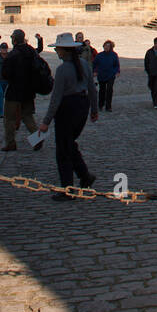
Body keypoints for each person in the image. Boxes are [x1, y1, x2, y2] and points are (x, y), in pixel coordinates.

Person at [39, 33, 98, 199]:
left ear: (64, 51)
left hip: (67, 108)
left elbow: (56, 98)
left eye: (58, 49)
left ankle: (67, 188)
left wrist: (45, 122)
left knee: (63, 150)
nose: (57, 51)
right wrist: (94, 109)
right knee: (69, 144)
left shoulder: (62, 69)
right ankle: (85, 175)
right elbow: (92, 89)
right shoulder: (85, 64)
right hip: (82, 105)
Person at [1, 29, 45, 151]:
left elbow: (5, 74)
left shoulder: (13, 54)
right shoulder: (31, 51)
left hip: (14, 91)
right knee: (27, 116)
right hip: (29, 90)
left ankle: (10, 143)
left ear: (14, 39)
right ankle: (38, 139)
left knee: (9, 118)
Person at [93, 40, 120, 111]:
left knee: (109, 90)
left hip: (110, 75)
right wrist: (95, 71)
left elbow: (117, 65)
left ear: (111, 47)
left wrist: (117, 71)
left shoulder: (114, 55)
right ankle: (101, 105)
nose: (106, 47)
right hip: (101, 75)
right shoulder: (99, 55)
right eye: (105, 46)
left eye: (108, 46)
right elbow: (94, 64)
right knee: (102, 90)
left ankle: (108, 106)